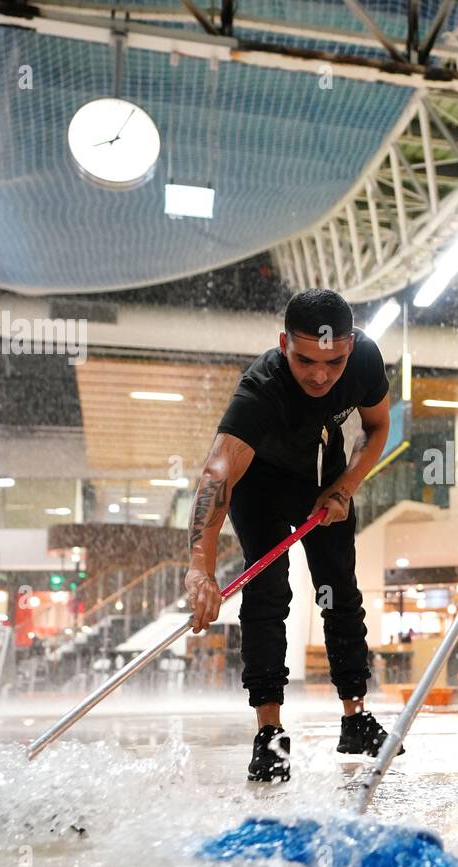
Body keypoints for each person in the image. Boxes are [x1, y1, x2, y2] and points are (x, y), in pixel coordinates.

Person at [184, 289, 394, 783]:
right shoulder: (262, 388)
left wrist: (344, 488)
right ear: (284, 344)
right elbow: (217, 473)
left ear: (349, 347)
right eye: (305, 360)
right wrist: (200, 566)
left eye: (333, 362)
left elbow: (378, 426)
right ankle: (270, 737)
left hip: (324, 478)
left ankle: (356, 720)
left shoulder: (364, 360)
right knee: (269, 591)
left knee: (338, 590)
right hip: (259, 485)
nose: (320, 374)